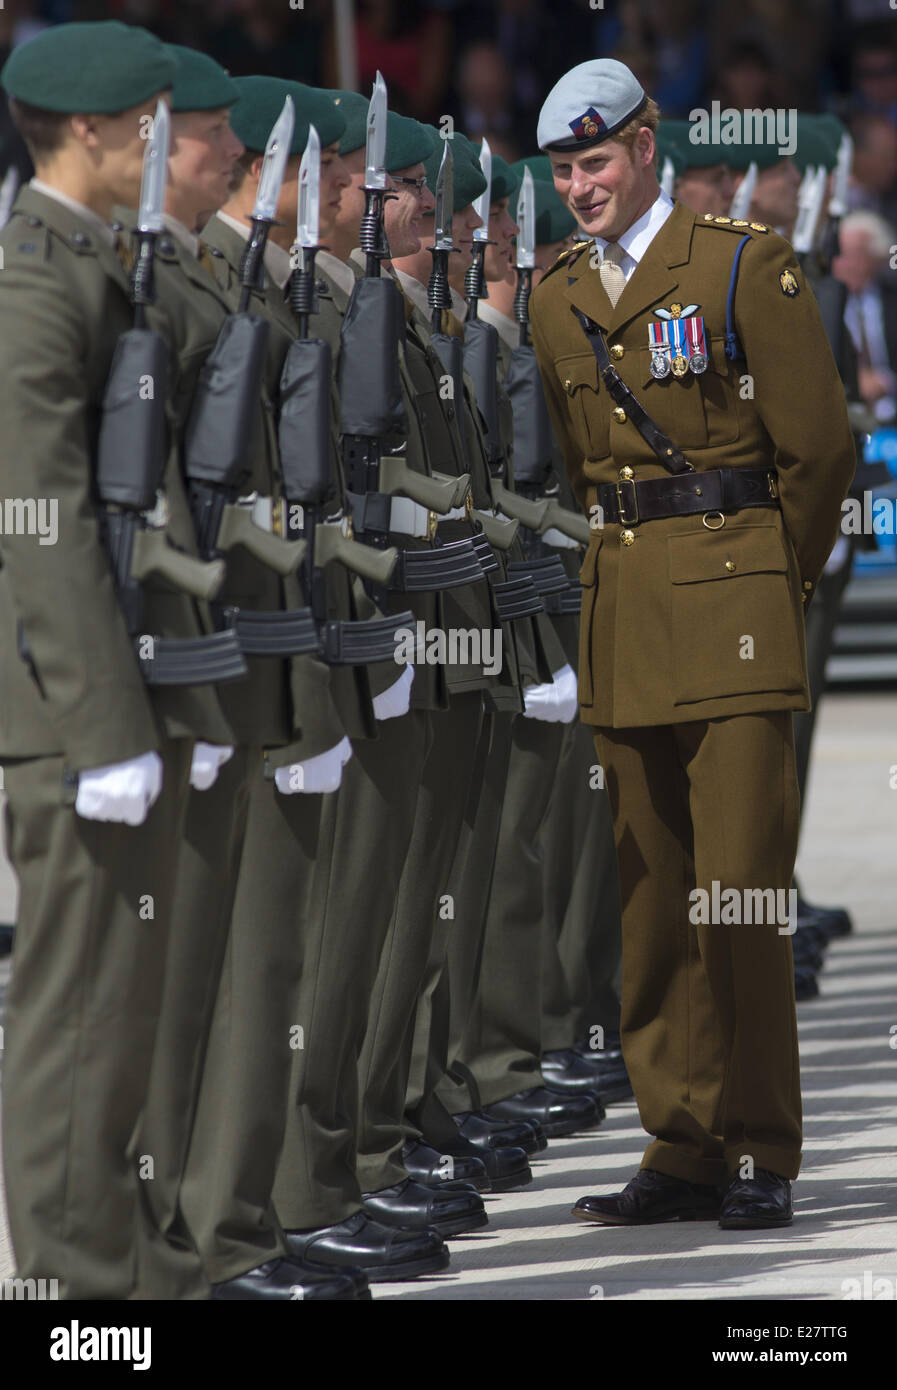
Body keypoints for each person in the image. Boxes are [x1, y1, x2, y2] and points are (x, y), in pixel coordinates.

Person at [529, 58, 855, 1229]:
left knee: (741, 895)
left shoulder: (738, 262)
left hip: (736, 608)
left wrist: (776, 583)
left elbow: (819, 451)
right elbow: (580, 471)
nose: (581, 188)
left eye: (597, 162)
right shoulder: (554, 290)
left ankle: (762, 1140)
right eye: (565, 171)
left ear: (647, 147)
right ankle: (681, 1140)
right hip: (624, 609)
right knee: (653, 898)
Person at [0, 20, 232, 1300]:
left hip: (125, 686)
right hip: (73, 710)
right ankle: (75, 1291)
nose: (167, 142)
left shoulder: (99, 258)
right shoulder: (38, 277)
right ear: (87, 133)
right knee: (77, 1009)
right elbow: (37, 519)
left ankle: (130, 1258)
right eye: (149, 123)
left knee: (123, 1004)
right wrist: (100, 729)